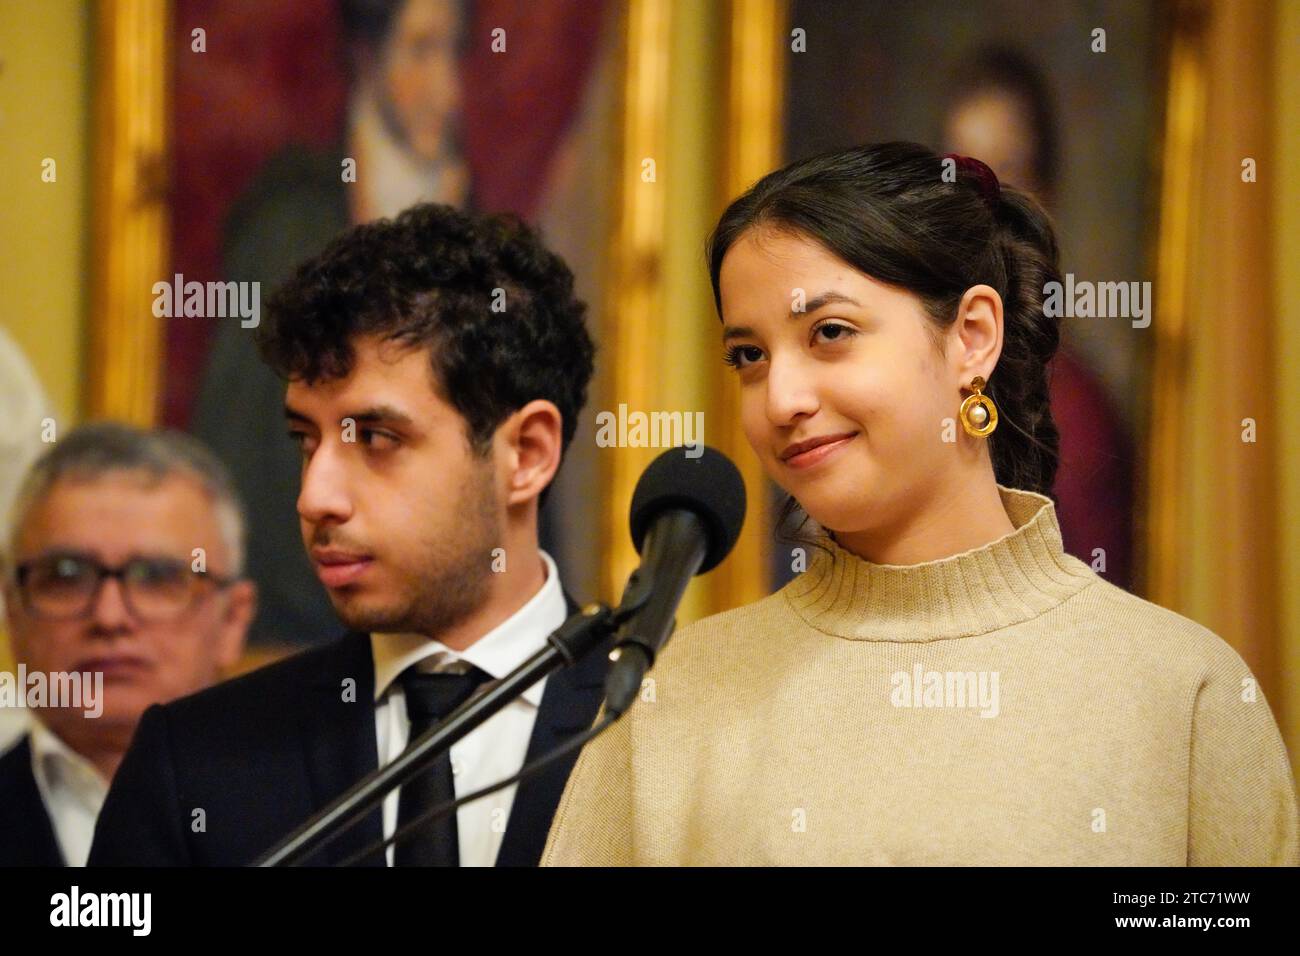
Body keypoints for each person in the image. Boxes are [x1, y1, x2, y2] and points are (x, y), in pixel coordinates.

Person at [541, 142, 1299, 866]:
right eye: (749, 356)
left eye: (829, 333)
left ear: (972, 336)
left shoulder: (1180, 687)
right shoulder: (674, 692)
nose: (781, 399)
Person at [89, 203, 603, 867]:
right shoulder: (193, 760)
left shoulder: (671, 731)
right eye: (307, 440)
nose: (314, 497)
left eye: (377, 438)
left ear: (526, 454)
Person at [0, 423, 255, 865]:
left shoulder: (319, 815)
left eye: (157, 578)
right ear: (11, 608)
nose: (109, 617)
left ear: (232, 619)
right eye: (65, 576)